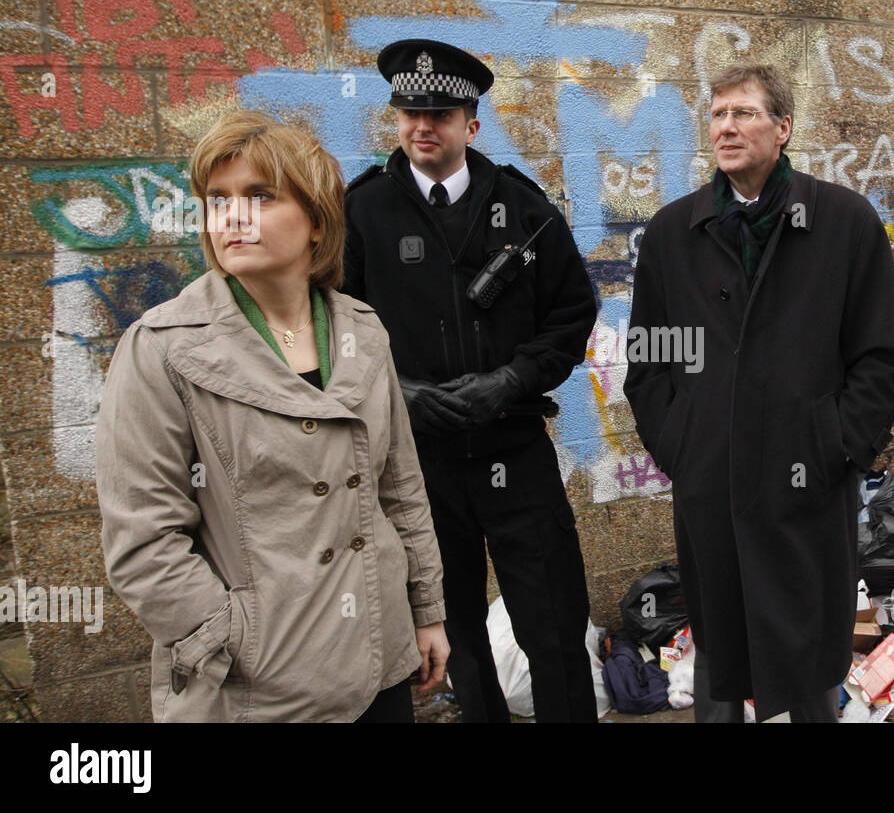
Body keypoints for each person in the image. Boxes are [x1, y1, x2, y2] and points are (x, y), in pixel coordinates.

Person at [95, 110, 449, 722]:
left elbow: (400, 487)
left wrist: (425, 611)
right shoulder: (164, 346)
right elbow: (142, 539)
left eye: (261, 196)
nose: (233, 216)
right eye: (218, 198)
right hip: (261, 687)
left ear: (316, 221)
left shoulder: (363, 332)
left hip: (377, 654)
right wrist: (231, 640)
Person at [624, 63, 894, 722]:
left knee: (810, 655)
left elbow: (882, 357)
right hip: (712, 485)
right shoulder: (675, 233)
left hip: (808, 484)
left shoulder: (842, 222)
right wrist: (682, 444)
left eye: (745, 113)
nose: (727, 126)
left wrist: (835, 443)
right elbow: (650, 359)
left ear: (782, 128)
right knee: (721, 655)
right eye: (719, 114)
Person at [343, 40, 598, 722]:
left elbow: (572, 315)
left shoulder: (523, 208)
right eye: (409, 112)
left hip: (514, 451)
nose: (423, 125)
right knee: (453, 635)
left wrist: (513, 379)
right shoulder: (361, 213)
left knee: (554, 627)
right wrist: (397, 393)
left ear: (471, 123)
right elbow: (333, 330)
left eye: (441, 113)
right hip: (417, 465)